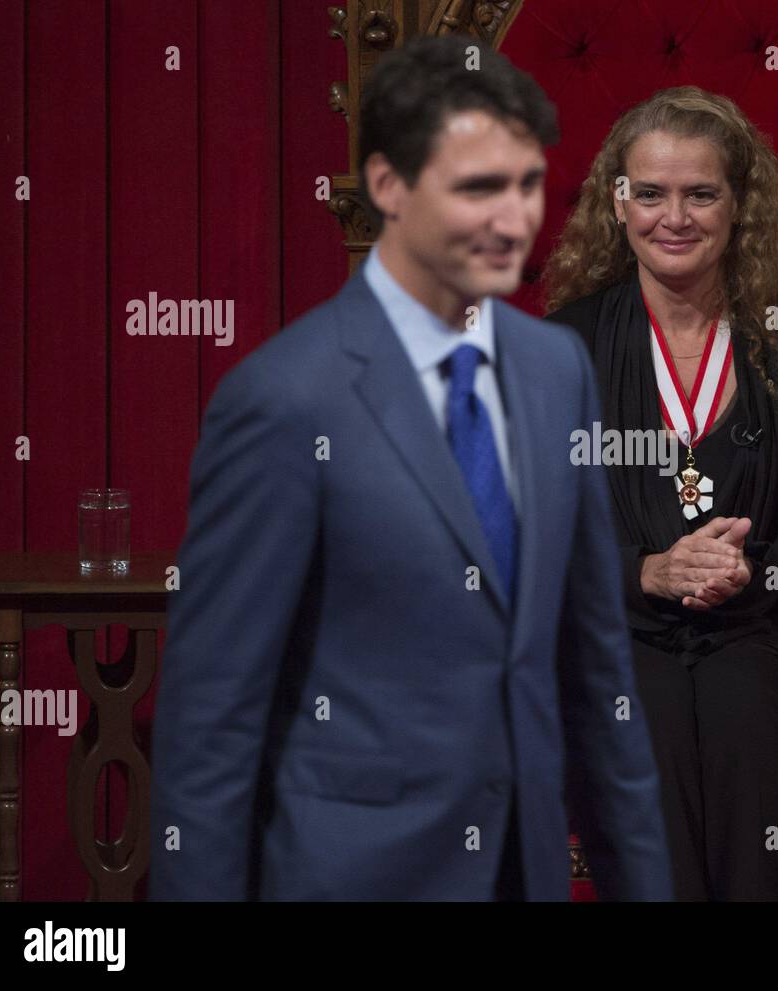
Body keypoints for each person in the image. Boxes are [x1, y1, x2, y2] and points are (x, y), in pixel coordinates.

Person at [148, 35, 671, 902]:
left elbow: (596, 677)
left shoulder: (556, 371)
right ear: (388, 186)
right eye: (477, 187)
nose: (513, 220)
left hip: (524, 871)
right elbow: (211, 724)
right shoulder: (282, 400)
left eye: (526, 184)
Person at [544, 86, 778, 901]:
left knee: (742, 710)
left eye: (701, 194)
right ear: (617, 206)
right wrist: (650, 574)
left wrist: (743, 571)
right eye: (650, 194)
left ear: (740, 206)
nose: (676, 217)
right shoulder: (565, 346)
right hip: (615, 629)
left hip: (750, 628)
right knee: (641, 715)